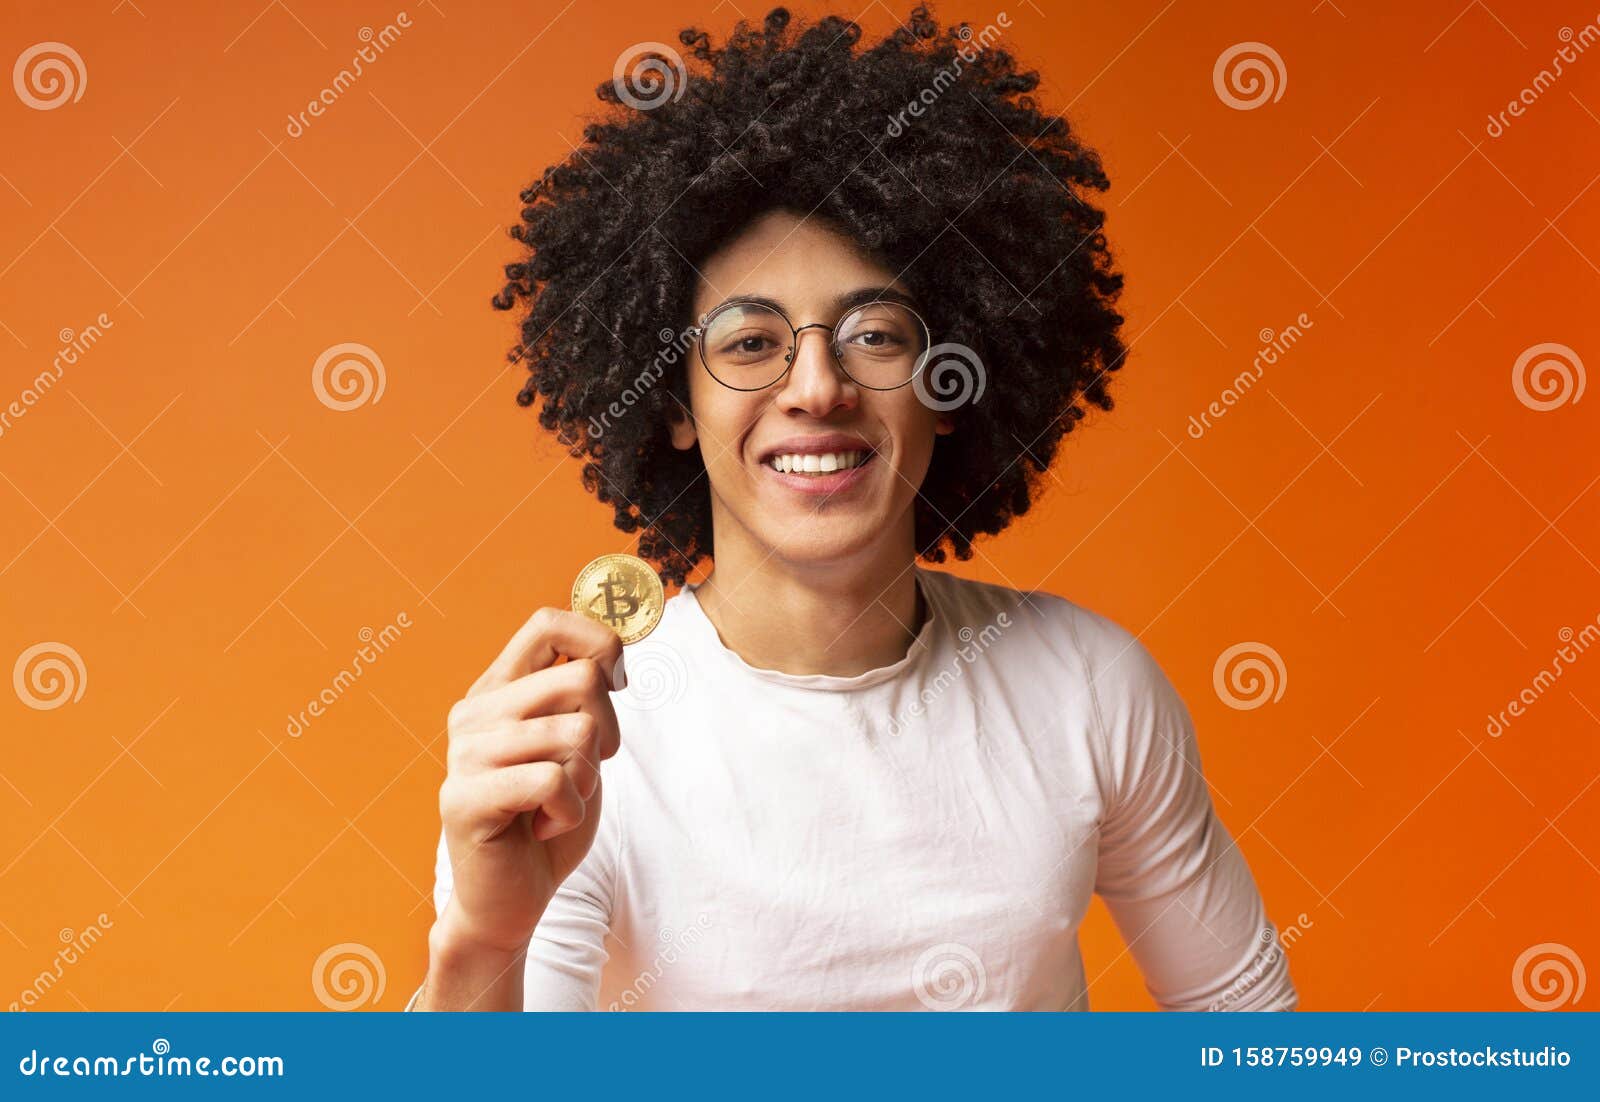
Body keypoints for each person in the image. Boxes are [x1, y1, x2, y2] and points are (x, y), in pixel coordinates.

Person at [411, 4, 1298, 1011]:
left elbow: (1246, 1035)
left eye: (876, 335)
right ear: (671, 406)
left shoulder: (1089, 688)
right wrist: (484, 939)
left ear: (952, 381)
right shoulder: (587, 738)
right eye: (749, 344)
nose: (817, 387)